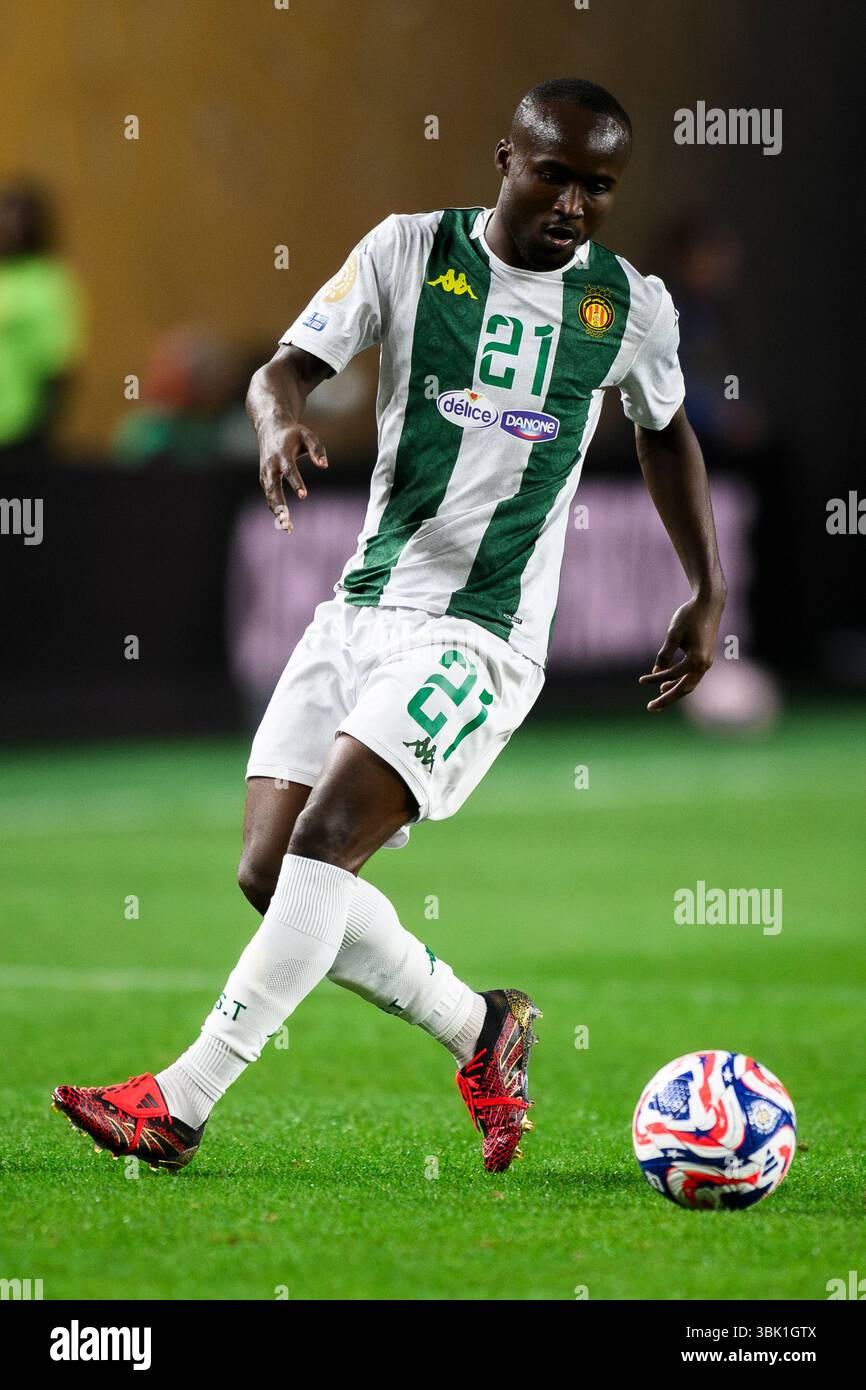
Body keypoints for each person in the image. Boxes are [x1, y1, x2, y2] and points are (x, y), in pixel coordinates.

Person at [53, 78, 727, 1175]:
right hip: (361, 608)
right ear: (504, 156)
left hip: (481, 634)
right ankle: (482, 1029)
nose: (571, 203)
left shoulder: (629, 307)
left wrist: (706, 588)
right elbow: (285, 370)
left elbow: (664, 433)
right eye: (552, 173)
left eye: (597, 186)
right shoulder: (411, 251)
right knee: (271, 874)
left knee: (328, 843)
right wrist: (276, 426)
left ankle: (176, 1102)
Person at [0, 181, 84, 462]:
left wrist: (41, 429)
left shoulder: (48, 281)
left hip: (19, 431)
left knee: (20, 507)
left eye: (15, 219)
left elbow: (58, 364)